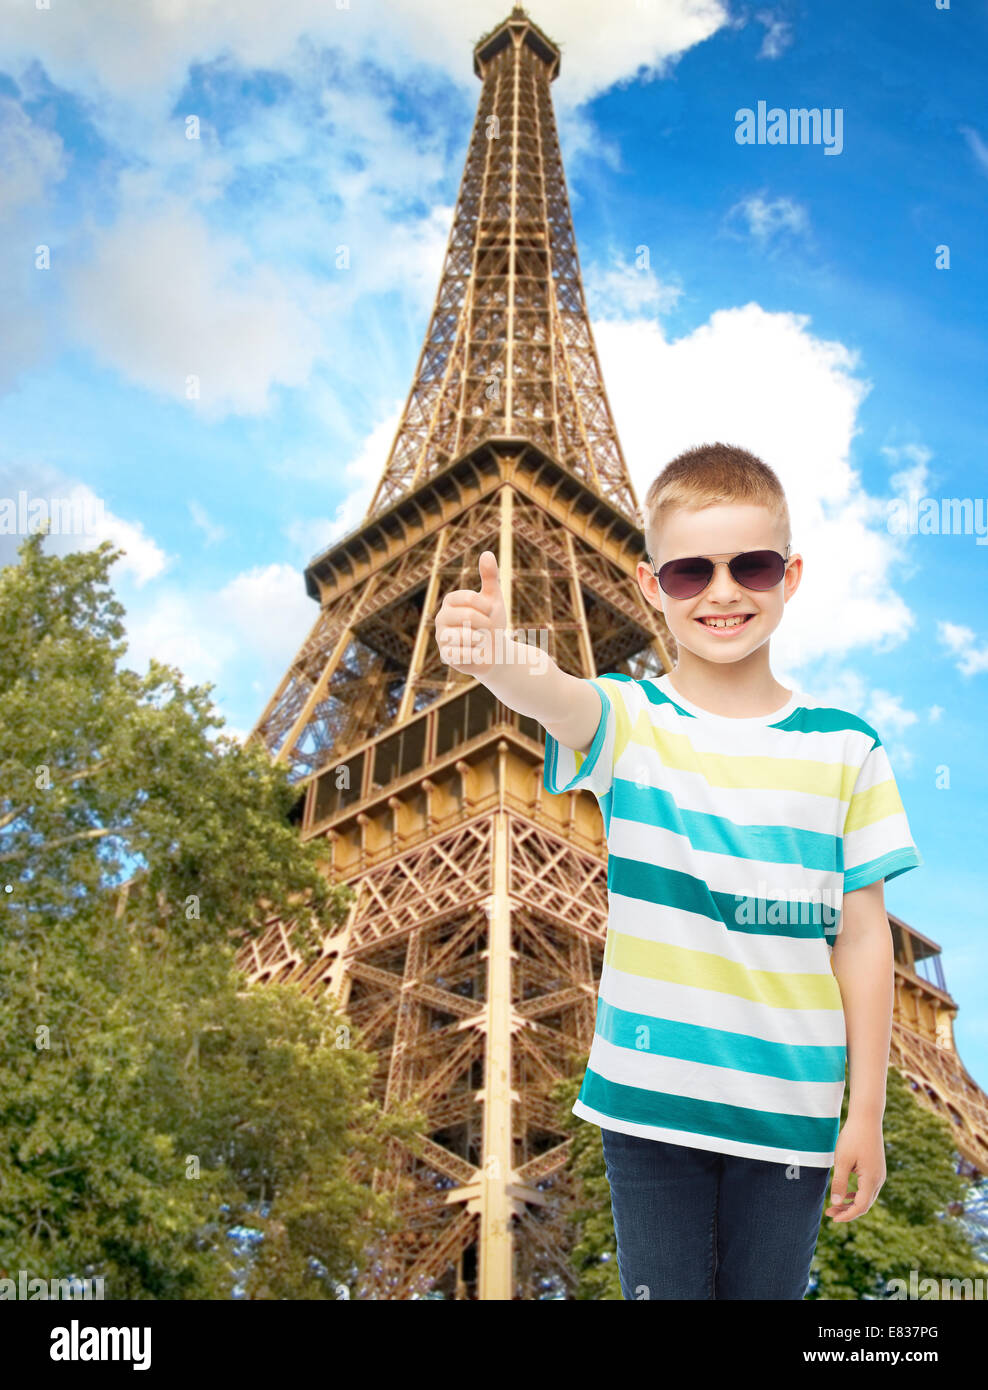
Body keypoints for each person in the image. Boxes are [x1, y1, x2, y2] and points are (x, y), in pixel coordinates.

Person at [434, 441, 922, 1300]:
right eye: (691, 572)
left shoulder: (849, 745)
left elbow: (864, 934)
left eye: (753, 566)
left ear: (791, 575)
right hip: (649, 1102)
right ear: (649, 584)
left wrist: (868, 1114)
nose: (724, 591)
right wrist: (496, 658)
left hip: (792, 1110)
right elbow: (558, 692)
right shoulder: (632, 718)